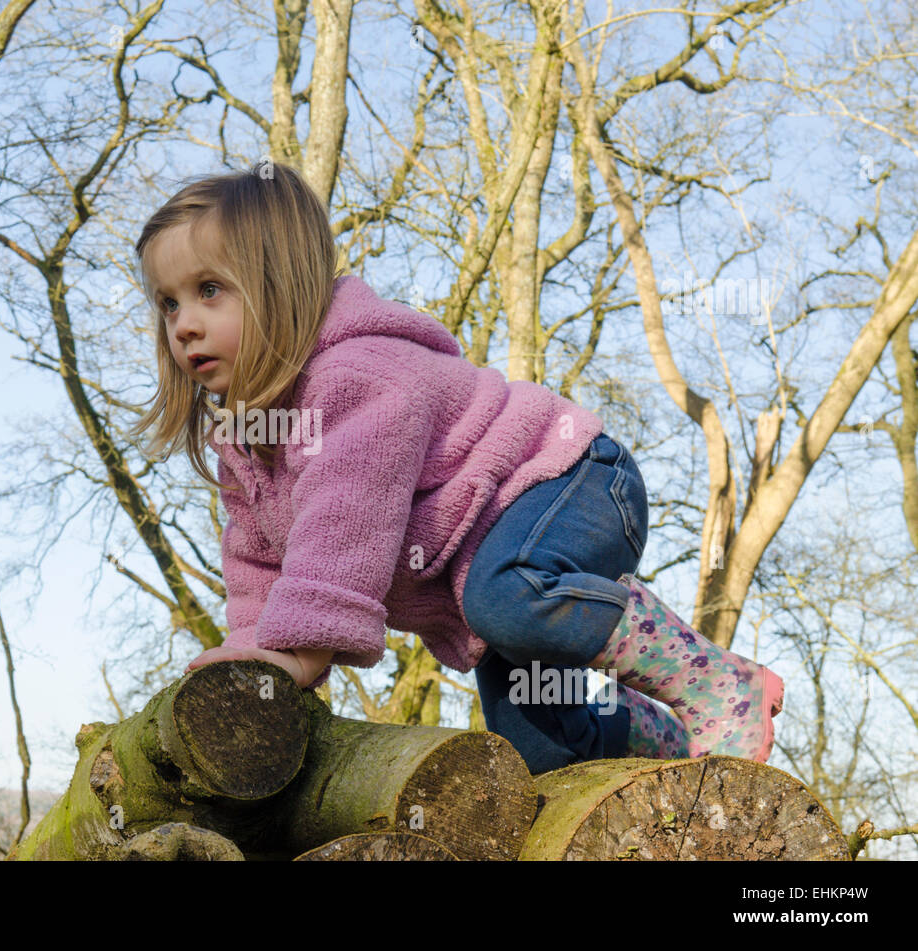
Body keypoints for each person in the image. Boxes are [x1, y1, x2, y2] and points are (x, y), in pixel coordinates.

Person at [127, 162, 783, 774]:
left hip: (572, 481)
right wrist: (253, 654)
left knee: (505, 596)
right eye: (169, 303)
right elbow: (257, 563)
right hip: (497, 566)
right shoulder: (244, 439)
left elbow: (341, 524)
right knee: (538, 749)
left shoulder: (356, 378)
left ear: (282, 283)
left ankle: (719, 682)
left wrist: (300, 650)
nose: (184, 324)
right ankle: (671, 747)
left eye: (209, 290)